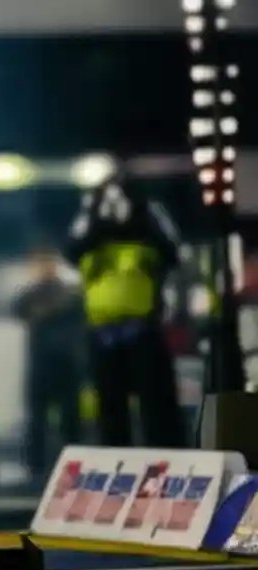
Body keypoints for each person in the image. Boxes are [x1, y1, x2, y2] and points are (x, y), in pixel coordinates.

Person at [65, 175, 185, 448]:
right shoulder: (89, 219)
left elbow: (173, 251)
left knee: (156, 405)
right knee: (110, 407)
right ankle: (115, 461)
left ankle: (167, 458)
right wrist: (98, 219)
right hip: (103, 330)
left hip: (142, 327)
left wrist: (141, 216)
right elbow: (71, 250)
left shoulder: (149, 215)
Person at [12, 246, 86, 480]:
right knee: (36, 418)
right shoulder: (30, 294)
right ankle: (36, 467)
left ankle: (74, 464)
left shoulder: (69, 294)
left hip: (65, 361)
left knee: (70, 418)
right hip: (41, 362)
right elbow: (18, 309)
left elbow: (76, 313)